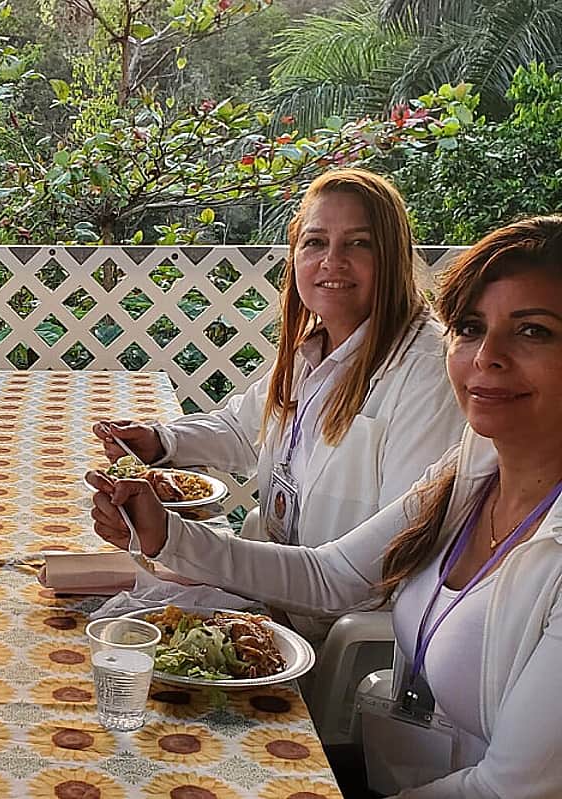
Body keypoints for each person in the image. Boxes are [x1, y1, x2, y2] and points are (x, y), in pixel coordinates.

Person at [89, 215, 562, 798]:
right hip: (397, 767)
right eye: (469, 327)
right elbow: (333, 572)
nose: (486, 356)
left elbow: (506, 790)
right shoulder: (475, 468)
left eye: (534, 331)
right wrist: (165, 535)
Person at [93, 168, 465, 641]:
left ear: (393, 257)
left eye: (358, 244)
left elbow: (359, 580)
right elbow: (246, 430)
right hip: (275, 594)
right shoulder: (319, 346)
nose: (333, 260)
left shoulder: (428, 373)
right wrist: (160, 441)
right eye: (315, 242)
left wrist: (171, 539)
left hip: (329, 628)